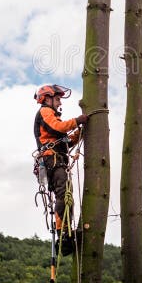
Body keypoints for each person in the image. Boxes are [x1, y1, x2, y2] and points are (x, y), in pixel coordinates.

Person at [33, 84, 88, 236]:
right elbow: (58, 127)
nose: (60, 103)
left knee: (67, 196)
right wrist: (77, 121)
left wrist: (79, 133)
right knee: (63, 194)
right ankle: (62, 230)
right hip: (52, 159)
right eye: (57, 99)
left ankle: (66, 228)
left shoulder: (53, 116)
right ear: (47, 99)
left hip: (59, 160)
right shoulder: (45, 111)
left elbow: (66, 141)